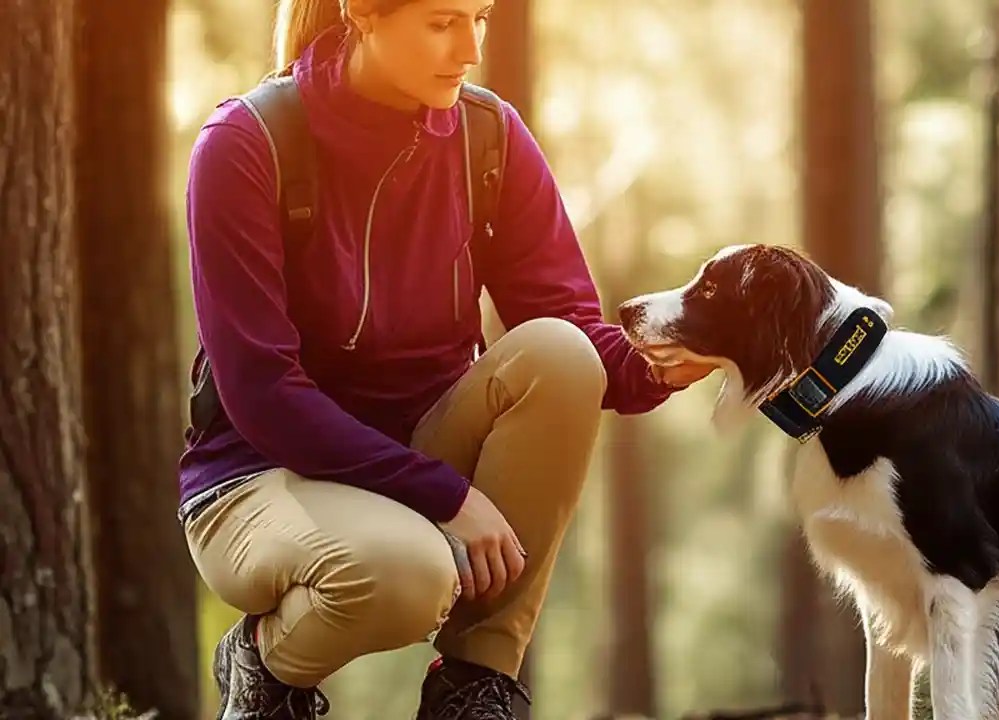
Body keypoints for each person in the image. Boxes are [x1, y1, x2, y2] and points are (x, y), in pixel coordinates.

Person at [178, 0, 715, 718]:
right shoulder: (246, 143)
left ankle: (475, 687)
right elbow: (263, 392)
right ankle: (263, 666)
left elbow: (571, 327)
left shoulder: (488, 137)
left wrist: (657, 365)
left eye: (481, 17)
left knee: (561, 355)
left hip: (416, 458)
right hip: (260, 479)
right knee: (407, 575)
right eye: (441, 22)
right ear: (363, 15)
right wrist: (446, 495)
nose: (469, 47)